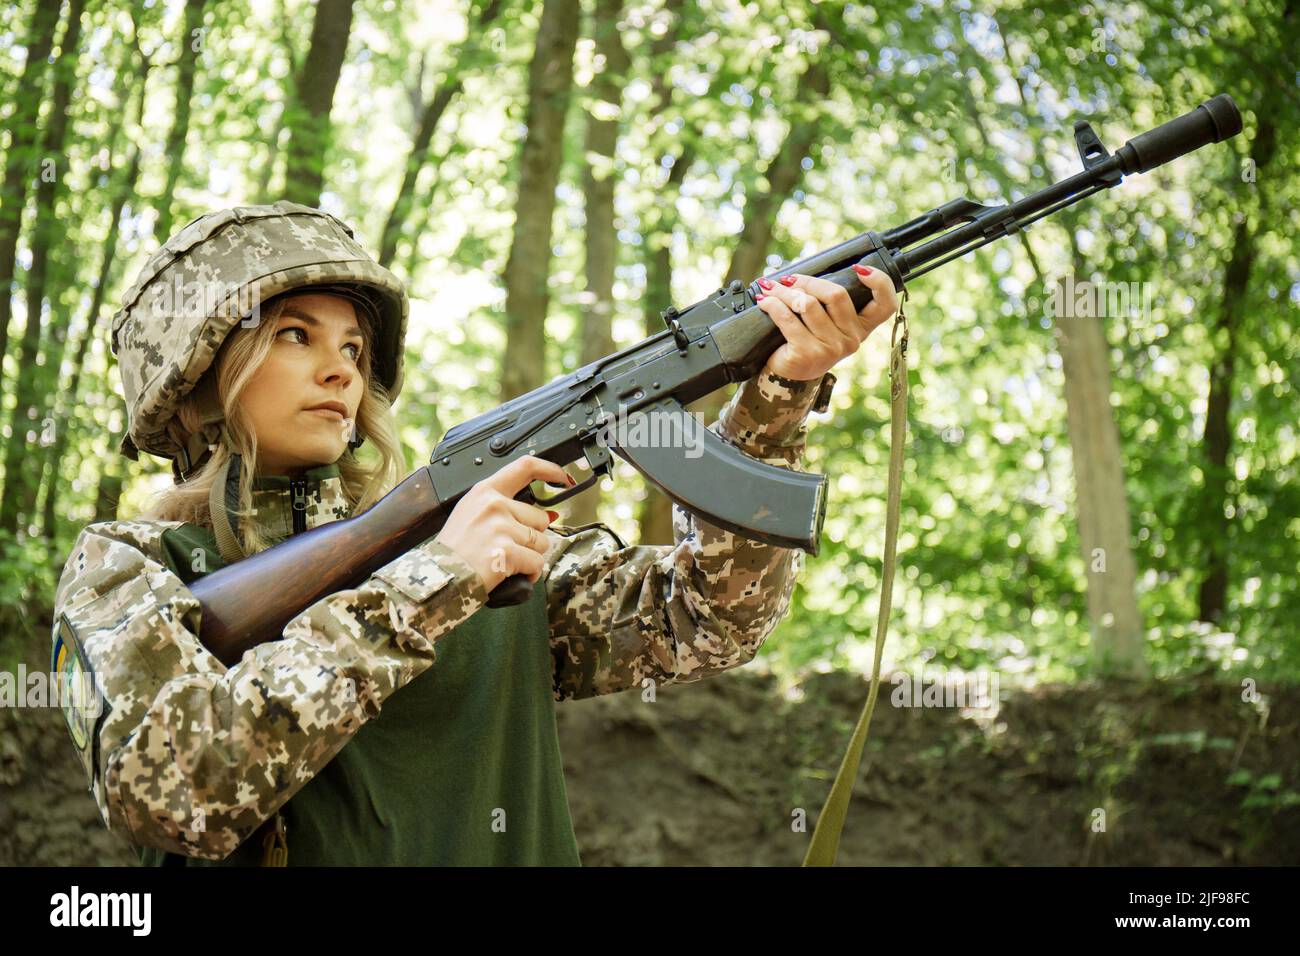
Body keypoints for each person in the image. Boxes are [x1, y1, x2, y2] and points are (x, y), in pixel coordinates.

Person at [50, 200, 898, 866]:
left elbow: (707, 621)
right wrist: (432, 582)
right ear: (194, 385)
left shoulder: (480, 544)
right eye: (292, 336)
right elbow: (168, 794)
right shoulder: (131, 569)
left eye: (354, 343)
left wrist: (774, 404)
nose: (341, 367)